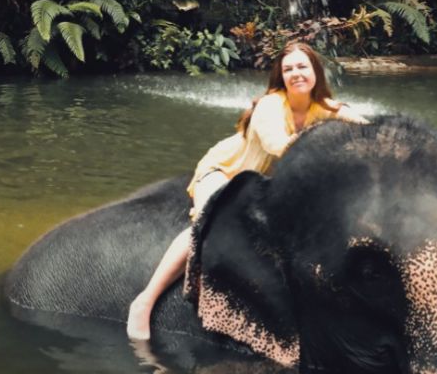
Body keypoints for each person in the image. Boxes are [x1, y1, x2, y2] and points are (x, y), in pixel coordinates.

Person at [126, 42, 369, 340]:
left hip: (264, 185)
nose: (296, 74)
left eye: (302, 67)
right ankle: (145, 301)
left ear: (316, 71)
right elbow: (276, 144)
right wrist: (326, 143)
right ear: (281, 76)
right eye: (288, 69)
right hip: (226, 172)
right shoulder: (270, 106)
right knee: (208, 221)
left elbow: (365, 129)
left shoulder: (324, 108)